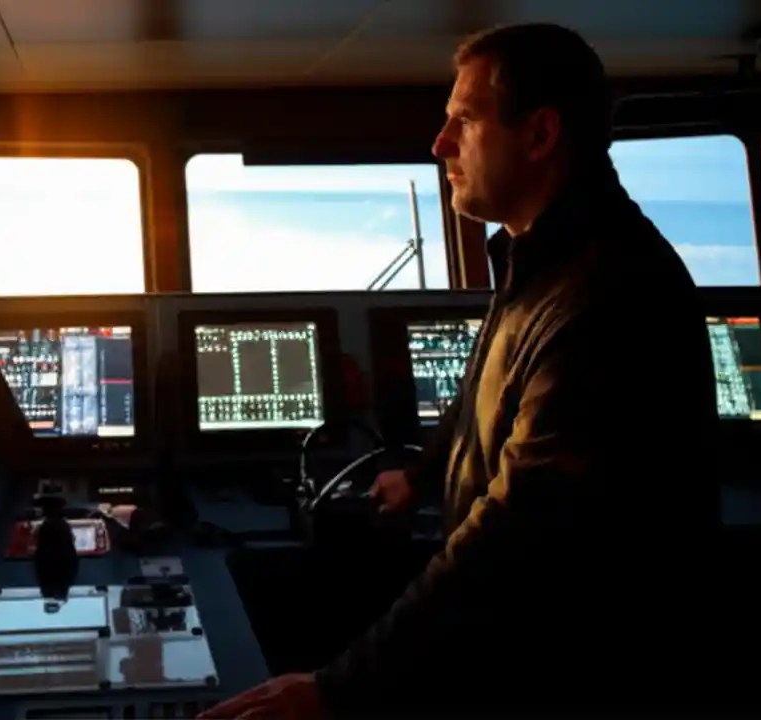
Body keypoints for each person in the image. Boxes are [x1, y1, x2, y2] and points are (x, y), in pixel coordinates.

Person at [201, 23, 726, 719]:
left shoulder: (610, 293)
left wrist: (337, 689)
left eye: (463, 121)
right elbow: (484, 388)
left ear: (539, 135)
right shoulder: (544, 261)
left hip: (580, 674)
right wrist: (419, 473)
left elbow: (518, 532)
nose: (439, 144)